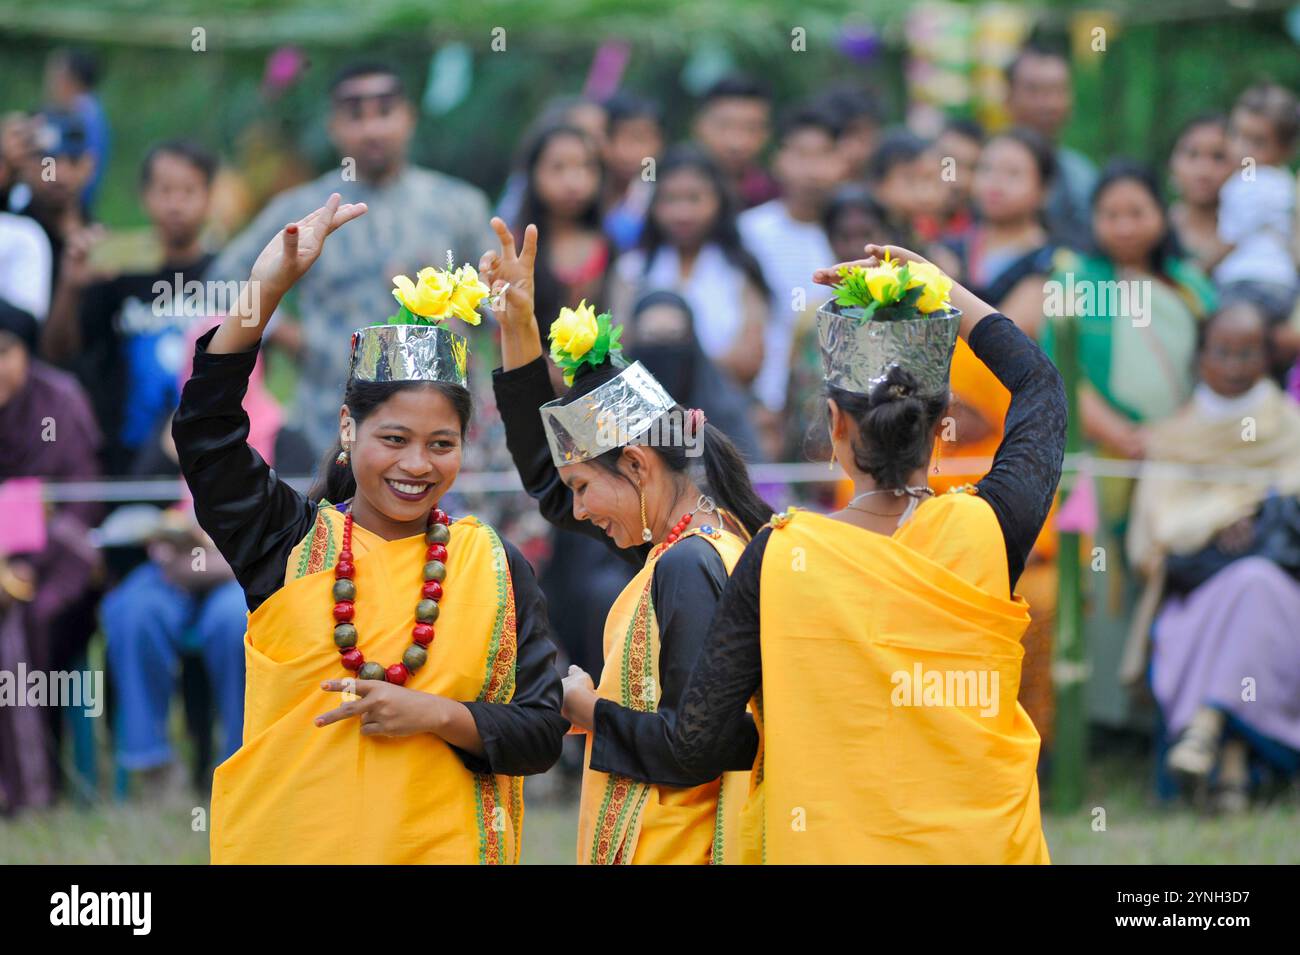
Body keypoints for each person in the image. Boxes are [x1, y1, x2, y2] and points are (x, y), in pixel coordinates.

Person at [174, 194, 567, 863]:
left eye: (441, 443)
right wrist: (265, 291)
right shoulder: (286, 542)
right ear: (348, 429)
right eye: (394, 437)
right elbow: (207, 430)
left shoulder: (492, 566)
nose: (417, 464)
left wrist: (434, 714)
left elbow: (540, 729)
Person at [664, 243, 1065, 863]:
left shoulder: (781, 555)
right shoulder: (985, 530)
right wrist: (937, 285)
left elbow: (696, 743)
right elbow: (1039, 385)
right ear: (940, 428)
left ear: (835, 423)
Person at [483, 217, 769, 864]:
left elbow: (699, 745)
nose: (577, 510)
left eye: (585, 487)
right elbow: (548, 482)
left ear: (638, 465)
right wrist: (519, 325)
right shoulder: (698, 537)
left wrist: (587, 709)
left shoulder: (689, 564)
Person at [205, 62, 496, 457]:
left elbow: (499, 300)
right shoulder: (304, 209)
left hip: (436, 429)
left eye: (384, 112)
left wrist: (463, 313)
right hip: (328, 424)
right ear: (333, 126)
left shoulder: (458, 205)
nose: (372, 128)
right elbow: (220, 282)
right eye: (355, 115)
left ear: (408, 118)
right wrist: (282, 331)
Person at [1127, 302, 1300, 812]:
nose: (1233, 365)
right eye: (1221, 352)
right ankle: (1230, 763)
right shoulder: (1175, 435)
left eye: (1247, 353)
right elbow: (1156, 536)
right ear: (1200, 358)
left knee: (1256, 583)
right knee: (1249, 586)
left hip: (1284, 592)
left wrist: (1264, 515)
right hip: (1195, 594)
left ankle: (1208, 731)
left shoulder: (1289, 427)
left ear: (1265, 360)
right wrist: (1226, 514)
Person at [43, 140, 217, 475]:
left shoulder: (227, 272)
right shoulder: (114, 269)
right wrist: (69, 286)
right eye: (165, 190)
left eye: (188, 191)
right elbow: (58, 351)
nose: (176, 204)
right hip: (124, 461)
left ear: (209, 197)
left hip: (211, 462)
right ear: (145, 196)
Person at [0, 302, 103, 814]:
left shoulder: (58, 402)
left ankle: (31, 785)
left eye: (4, 353)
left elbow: (82, 500)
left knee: (31, 619)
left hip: (55, 570)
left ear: (26, 352)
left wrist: (25, 566)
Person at [1043, 161, 1217, 460]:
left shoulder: (1190, 285)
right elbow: (1054, 368)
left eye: (1137, 213)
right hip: (1093, 452)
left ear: (1162, 214)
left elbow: (1215, 366)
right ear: (1093, 218)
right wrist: (1115, 431)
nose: (1125, 228)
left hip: (1183, 447)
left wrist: (1170, 434)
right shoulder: (1071, 280)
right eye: (1111, 215)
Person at [102, 506, 247, 794]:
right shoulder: (161, 461)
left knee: (239, 623)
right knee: (134, 615)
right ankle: (152, 761)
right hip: (164, 568)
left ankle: (239, 759)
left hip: (239, 567)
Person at [609, 145, 769, 386]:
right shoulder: (630, 270)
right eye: (670, 200)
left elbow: (749, 361)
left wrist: (671, 359)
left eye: (694, 199)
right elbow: (619, 356)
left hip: (723, 415)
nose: (682, 213)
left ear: (719, 201)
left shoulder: (741, 270)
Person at [739, 103, 846, 412]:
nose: (812, 168)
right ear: (779, 158)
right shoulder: (749, 232)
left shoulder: (854, 236)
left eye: (824, 154)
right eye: (801, 154)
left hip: (834, 399)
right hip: (761, 398)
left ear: (842, 161)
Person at [1215, 83, 1300, 378]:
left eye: (1257, 141)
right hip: (1284, 286)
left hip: (1245, 282)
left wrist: (1202, 263)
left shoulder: (1243, 183)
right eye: (1237, 135)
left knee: (1227, 349)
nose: (1242, 149)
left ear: (1285, 148)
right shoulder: (1288, 183)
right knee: (1263, 355)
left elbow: (1229, 240)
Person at [514, 123, 610, 347]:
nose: (573, 182)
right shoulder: (516, 248)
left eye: (586, 167)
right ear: (532, 172)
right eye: (558, 167)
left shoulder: (611, 248)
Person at [1004, 42, 1097, 243]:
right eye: (1034, 90)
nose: (1047, 103)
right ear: (1008, 96)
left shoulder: (1082, 177)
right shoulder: (980, 168)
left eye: (1057, 90)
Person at [8, 110, 95, 298]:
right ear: (25, 163)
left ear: (88, 165)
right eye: (48, 161)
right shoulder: (10, 234)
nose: (59, 175)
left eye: (72, 160)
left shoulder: (98, 242)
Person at [691, 75, 779, 210]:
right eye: (724, 126)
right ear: (698, 126)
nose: (736, 143)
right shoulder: (667, 189)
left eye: (751, 128)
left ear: (767, 134)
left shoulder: (776, 196)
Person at [43, 48, 110, 212]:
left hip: (69, 204)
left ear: (70, 79)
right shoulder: (94, 112)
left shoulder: (77, 116)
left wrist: (47, 179)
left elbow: (55, 162)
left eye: (55, 75)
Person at [1167, 114, 1232, 275]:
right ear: (1171, 163)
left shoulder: (1249, 233)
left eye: (1218, 157)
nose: (1204, 171)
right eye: (1192, 155)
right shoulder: (1157, 231)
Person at [600, 93, 664, 252]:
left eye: (640, 139)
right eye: (615, 138)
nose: (626, 152)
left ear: (660, 143)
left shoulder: (662, 195)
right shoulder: (586, 190)